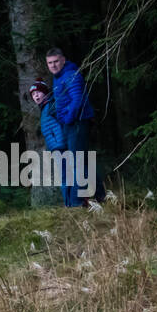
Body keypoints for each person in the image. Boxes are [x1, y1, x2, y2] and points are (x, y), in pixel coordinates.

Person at [45, 48, 103, 204]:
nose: (53, 65)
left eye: (56, 61)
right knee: (82, 161)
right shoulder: (58, 77)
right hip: (70, 123)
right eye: (50, 63)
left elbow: (77, 99)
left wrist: (69, 119)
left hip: (77, 122)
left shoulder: (70, 74)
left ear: (63, 60)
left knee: (77, 162)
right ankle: (100, 196)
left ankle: (78, 202)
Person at [29, 79, 75, 206]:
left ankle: (73, 204)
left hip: (63, 146)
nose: (36, 96)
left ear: (45, 93)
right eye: (33, 94)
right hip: (56, 148)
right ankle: (70, 204)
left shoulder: (52, 105)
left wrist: (67, 141)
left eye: (38, 92)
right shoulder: (44, 109)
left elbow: (64, 122)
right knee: (65, 177)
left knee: (69, 176)